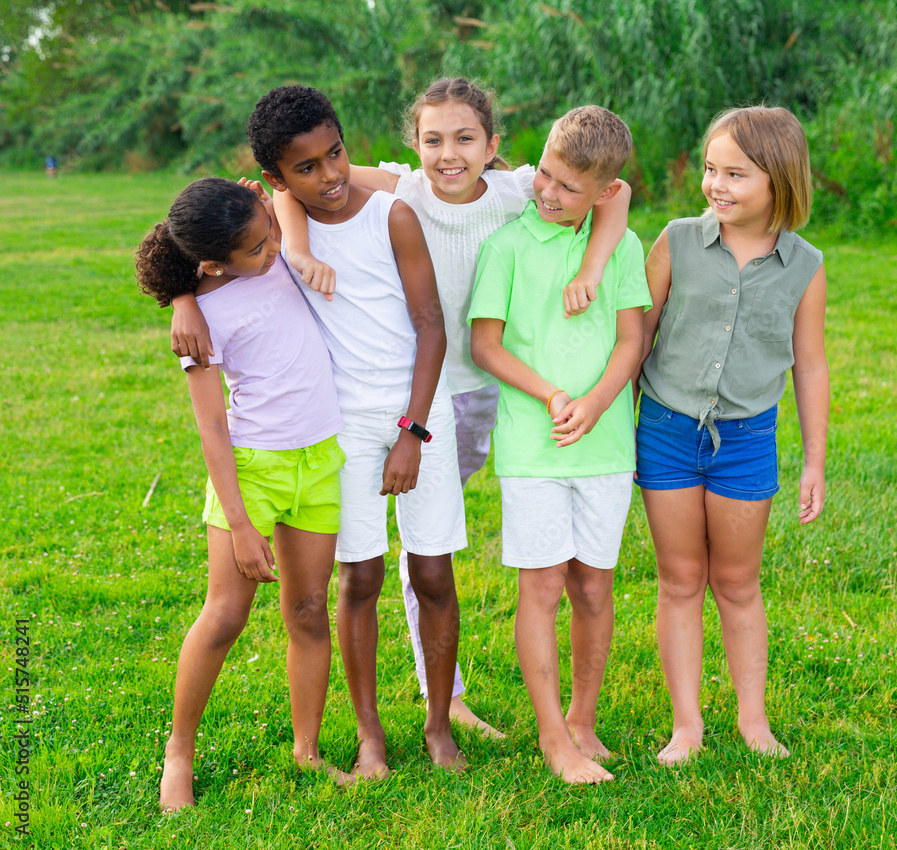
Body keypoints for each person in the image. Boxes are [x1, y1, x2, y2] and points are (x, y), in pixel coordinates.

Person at [172, 77, 631, 737]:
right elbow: (231, 216)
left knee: (433, 552)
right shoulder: (395, 189)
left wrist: (592, 265)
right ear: (412, 148)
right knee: (383, 567)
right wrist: (193, 292)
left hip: (482, 393)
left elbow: (613, 191)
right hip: (379, 406)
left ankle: (442, 711)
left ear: (493, 145)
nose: (449, 153)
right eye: (434, 140)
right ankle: (434, 702)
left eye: (466, 138)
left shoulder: (511, 191)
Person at [246, 84, 466, 777]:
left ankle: (438, 725)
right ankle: (369, 733)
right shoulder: (277, 235)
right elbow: (194, 233)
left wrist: (413, 430)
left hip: (418, 417)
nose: (331, 175)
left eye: (335, 154)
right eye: (305, 168)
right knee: (361, 577)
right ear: (277, 180)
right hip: (340, 428)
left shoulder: (392, 216)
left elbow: (432, 326)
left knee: (432, 572)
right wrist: (185, 300)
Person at [135, 177, 351, 811]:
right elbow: (209, 429)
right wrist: (242, 524)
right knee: (226, 615)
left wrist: (268, 220)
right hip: (253, 471)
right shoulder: (201, 322)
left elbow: (275, 192)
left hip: (320, 460)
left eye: (270, 232)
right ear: (212, 264)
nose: (274, 247)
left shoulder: (273, 240)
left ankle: (306, 751)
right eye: (258, 248)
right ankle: (179, 751)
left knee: (310, 609)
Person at [635, 105, 829, 765]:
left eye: (736, 174)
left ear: (779, 180)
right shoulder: (678, 241)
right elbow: (639, 335)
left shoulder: (805, 265)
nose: (716, 185)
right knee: (680, 577)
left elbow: (812, 363)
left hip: (747, 439)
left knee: (739, 583)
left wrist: (815, 463)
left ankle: (754, 721)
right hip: (666, 429)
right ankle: (686, 726)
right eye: (712, 170)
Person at [469, 106, 651, 784]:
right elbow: (485, 344)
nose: (547, 191)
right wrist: (550, 395)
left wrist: (599, 403)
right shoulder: (508, 245)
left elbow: (632, 340)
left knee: (595, 588)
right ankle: (553, 740)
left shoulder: (623, 247)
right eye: (544, 173)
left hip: (605, 447)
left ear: (603, 194)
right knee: (542, 585)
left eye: (567, 187)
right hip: (533, 447)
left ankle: (583, 720)